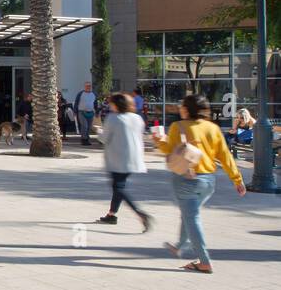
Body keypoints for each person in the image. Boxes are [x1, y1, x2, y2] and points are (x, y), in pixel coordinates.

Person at [154, 93, 246, 274]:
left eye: (182, 106)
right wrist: (237, 179)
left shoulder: (177, 126)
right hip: (208, 181)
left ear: (187, 109)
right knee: (189, 214)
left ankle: (204, 261)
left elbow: (168, 149)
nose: (180, 108)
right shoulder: (213, 128)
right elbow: (225, 156)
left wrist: (158, 141)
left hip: (185, 180)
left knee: (191, 217)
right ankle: (179, 245)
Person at [95, 92, 152, 231]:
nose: (109, 105)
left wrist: (98, 130)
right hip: (134, 158)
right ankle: (111, 214)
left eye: (111, 103)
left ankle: (140, 213)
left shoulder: (113, 118)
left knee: (118, 188)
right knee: (119, 186)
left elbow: (104, 138)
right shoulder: (137, 118)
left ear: (116, 104)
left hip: (117, 158)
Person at [74, 81, 97, 146]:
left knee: (89, 127)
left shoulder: (93, 94)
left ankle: (87, 139)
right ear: (84, 87)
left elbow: (95, 103)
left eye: (89, 86)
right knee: (85, 126)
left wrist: (97, 111)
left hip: (91, 112)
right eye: (87, 86)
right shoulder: (80, 94)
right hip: (81, 112)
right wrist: (75, 111)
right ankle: (83, 139)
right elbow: (76, 102)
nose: (88, 87)